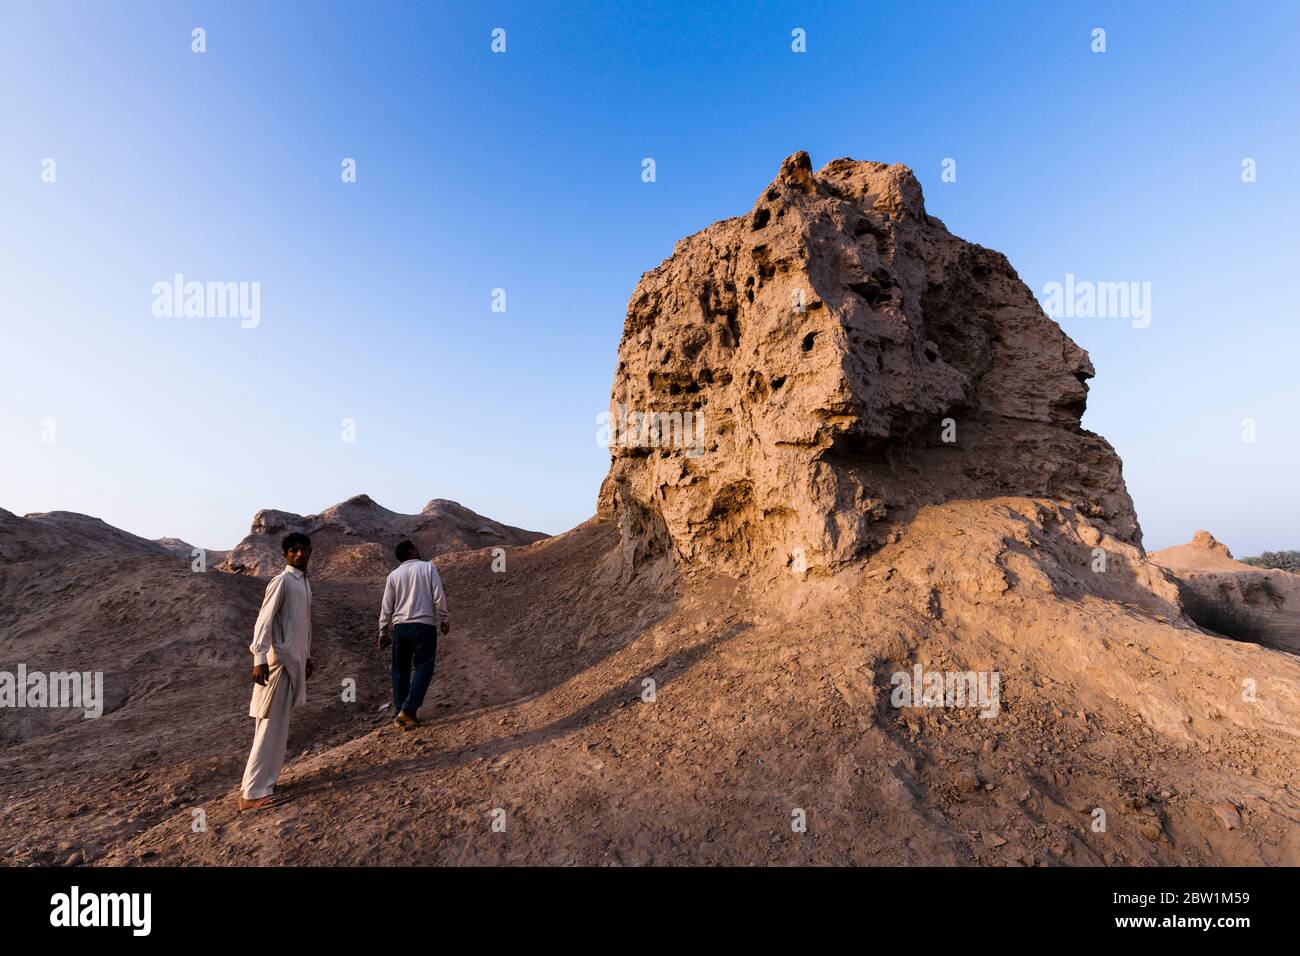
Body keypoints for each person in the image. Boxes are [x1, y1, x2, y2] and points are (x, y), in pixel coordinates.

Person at [238, 532, 314, 811]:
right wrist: (258, 657)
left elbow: (303, 624)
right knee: (268, 725)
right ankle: (251, 793)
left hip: (293, 664)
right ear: (285, 555)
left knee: (279, 728)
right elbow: (264, 620)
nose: (299, 554)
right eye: (293, 550)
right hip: (277, 664)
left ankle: (265, 784)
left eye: (303, 549)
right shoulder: (282, 581)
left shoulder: (304, 584)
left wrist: (306, 657)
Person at [377, 540, 450, 729]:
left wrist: (383, 631)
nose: (419, 549)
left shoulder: (393, 575)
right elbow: (438, 595)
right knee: (423, 667)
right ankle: (408, 710)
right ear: (411, 551)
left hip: (400, 628)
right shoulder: (428, 568)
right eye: (416, 547)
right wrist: (444, 618)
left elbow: (386, 606)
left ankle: (398, 709)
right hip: (424, 625)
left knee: (400, 670)